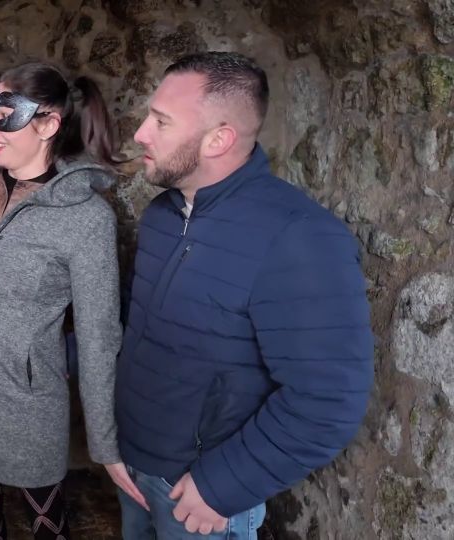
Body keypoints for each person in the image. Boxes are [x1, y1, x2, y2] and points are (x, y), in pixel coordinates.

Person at [115, 51, 374, 538]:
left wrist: (222, 486)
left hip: (199, 496)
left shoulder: (299, 236)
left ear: (219, 139)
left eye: (161, 121)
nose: (141, 133)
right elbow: (138, 331)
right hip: (135, 468)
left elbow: (328, 400)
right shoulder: (162, 216)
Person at [0, 61, 148, 540]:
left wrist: (105, 445)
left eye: (6, 114)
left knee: (47, 526)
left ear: (48, 124)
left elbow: (99, 337)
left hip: (24, 398)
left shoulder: (86, 218)